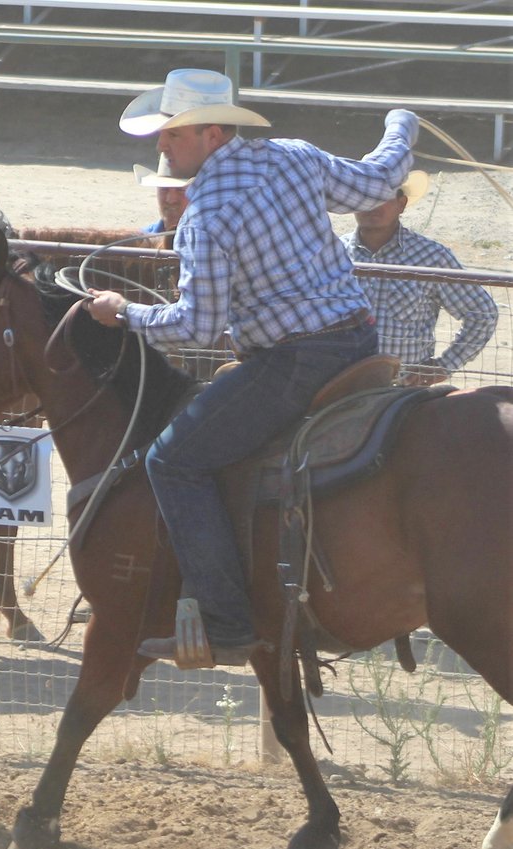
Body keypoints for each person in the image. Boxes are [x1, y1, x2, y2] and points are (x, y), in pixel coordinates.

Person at [87, 69, 416, 669]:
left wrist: (124, 313)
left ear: (213, 133)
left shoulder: (206, 214)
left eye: (173, 135)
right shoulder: (296, 157)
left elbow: (195, 328)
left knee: (173, 460)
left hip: (292, 361)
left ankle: (228, 623)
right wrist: (402, 124)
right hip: (358, 343)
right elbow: (379, 180)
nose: (162, 146)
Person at [342, 171, 499, 388]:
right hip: (342, 384)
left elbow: (482, 313)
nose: (373, 205)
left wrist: (444, 366)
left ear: (401, 203)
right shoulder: (334, 254)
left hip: (403, 389)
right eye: (365, 197)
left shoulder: (431, 257)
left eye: (383, 196)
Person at [135, 154, 191, 238]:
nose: (170, 199)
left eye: (180, 190)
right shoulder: (142, 241)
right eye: (164, 189)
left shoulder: (211, 243)